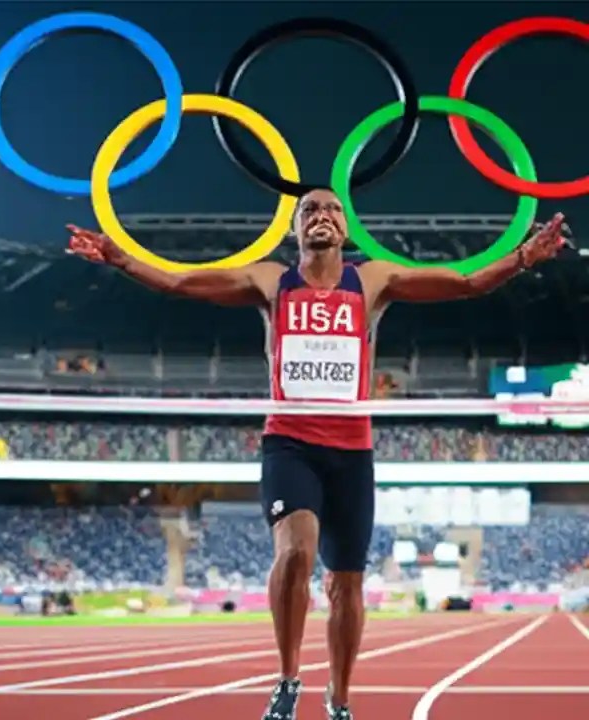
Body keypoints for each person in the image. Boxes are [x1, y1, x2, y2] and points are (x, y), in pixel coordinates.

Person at [67, 189, 565, 720]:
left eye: (331, 210)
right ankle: (287, 680)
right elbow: (181, 282)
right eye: (310, 211)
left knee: (346, 584)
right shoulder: (269, 280)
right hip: (291, 443)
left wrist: (523, 259)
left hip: (352, 449)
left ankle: (340, 698)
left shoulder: (373, 280)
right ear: (295, 230)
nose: (321, 216)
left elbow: (465, 284)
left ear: (346, 230)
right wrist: (120, 259)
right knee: (295, 553)